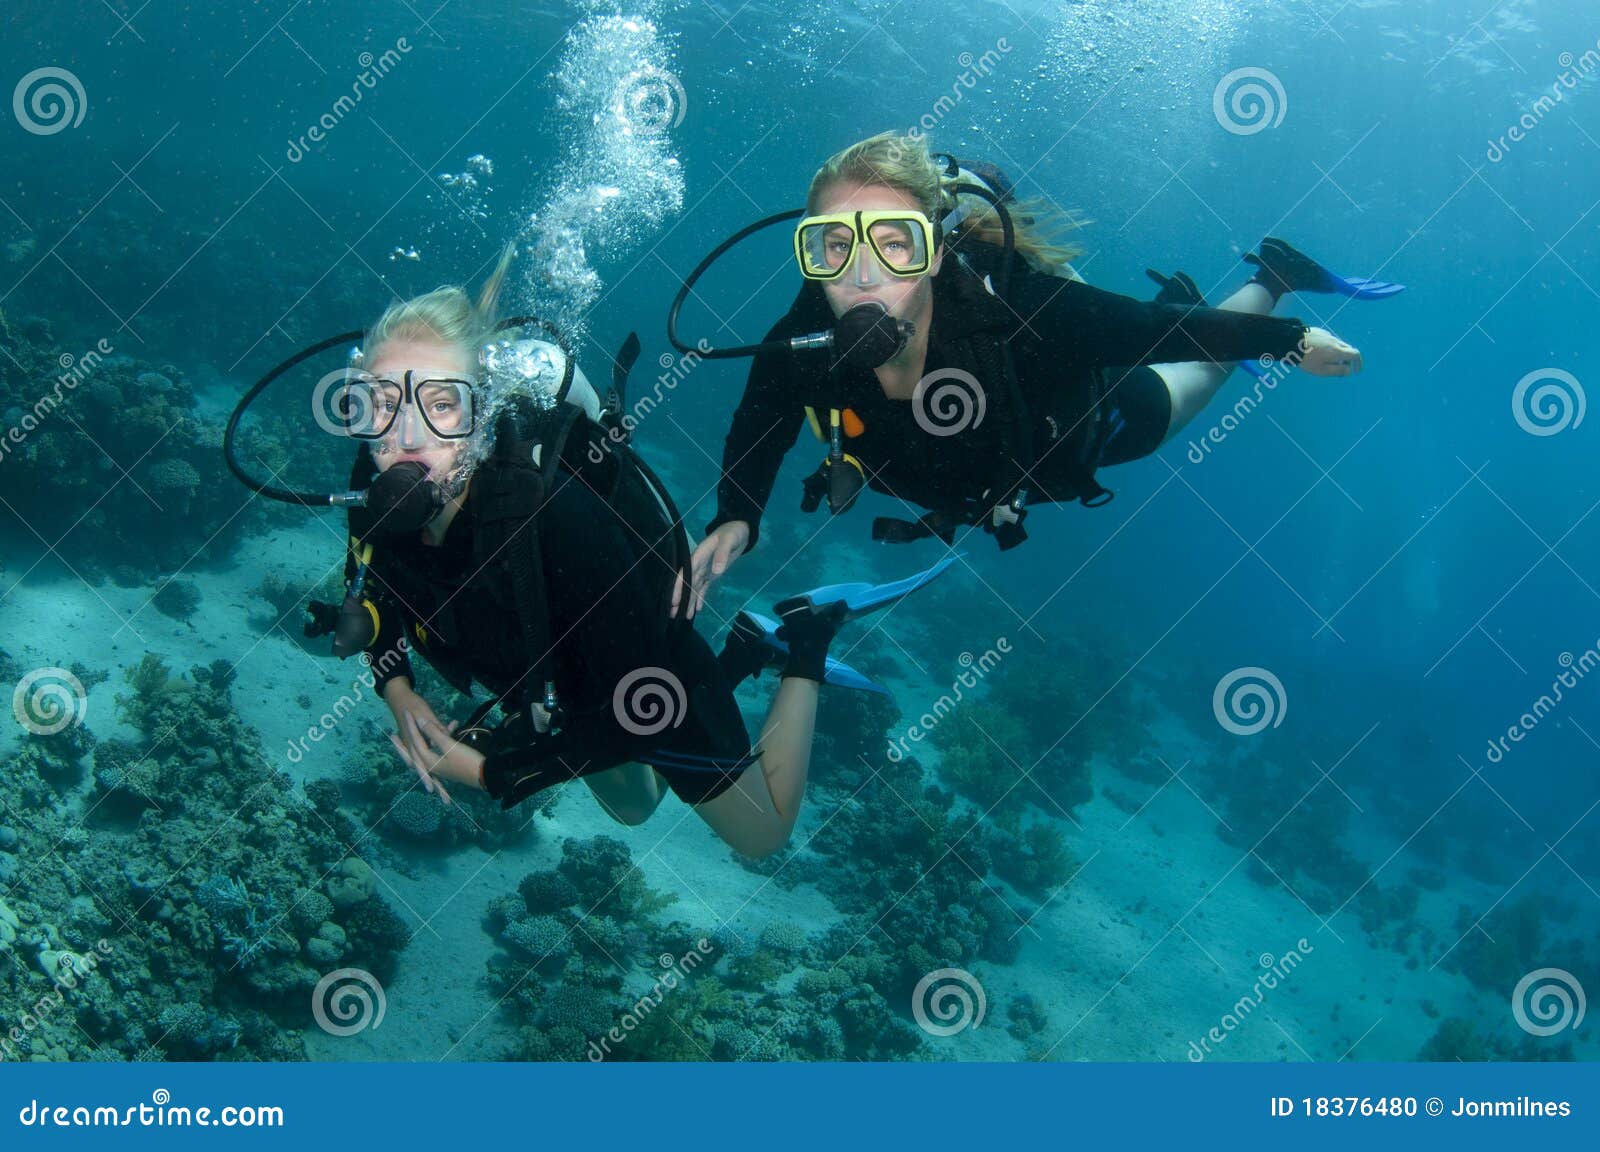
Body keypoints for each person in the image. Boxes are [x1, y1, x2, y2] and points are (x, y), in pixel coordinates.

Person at [328, 248, 953, 858]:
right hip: (560, 691)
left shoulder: (555, 519)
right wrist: (400, 692)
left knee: (763, 838)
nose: (405, 434)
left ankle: (806, 637)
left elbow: (640, 712)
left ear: (482, 414)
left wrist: (497, 773)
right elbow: (373, 598)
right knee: (635, 808)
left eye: (441, 405)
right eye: (382, 404)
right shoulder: (375, 489)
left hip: (653, 687)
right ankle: (747, 646)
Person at [672, 133, 1399, 618]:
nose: (860, 274)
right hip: (948, 468)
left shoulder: (1016, 307)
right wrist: (737, 515)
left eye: (895, 244)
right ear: (810, 253)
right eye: (832, 246)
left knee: (1194, 378)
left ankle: (1274, 276)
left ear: (932, 252)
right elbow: (759, 419)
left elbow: (1156, 335)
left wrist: (1287, 338)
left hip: (1088, 422)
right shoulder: (805, 334)